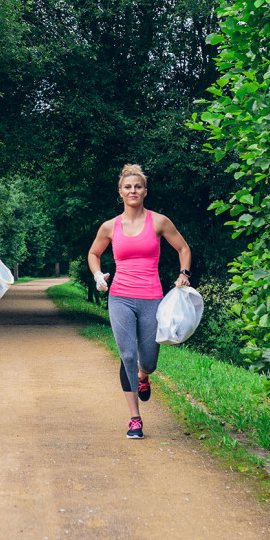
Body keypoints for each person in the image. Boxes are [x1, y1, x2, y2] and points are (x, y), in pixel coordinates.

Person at [86, 164, 192, 439]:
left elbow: (183, 248)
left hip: (152, 298)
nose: (133, 190)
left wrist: (183, 274)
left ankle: (144, 378)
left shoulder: (159, 222)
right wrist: (98, 274)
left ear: (145, 191)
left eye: (138, 186)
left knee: (149, 360)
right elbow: (93, 253)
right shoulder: (110, 226)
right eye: (128, 187)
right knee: (127, 355)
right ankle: (135, 418)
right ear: (120, 192)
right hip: (120, 296)